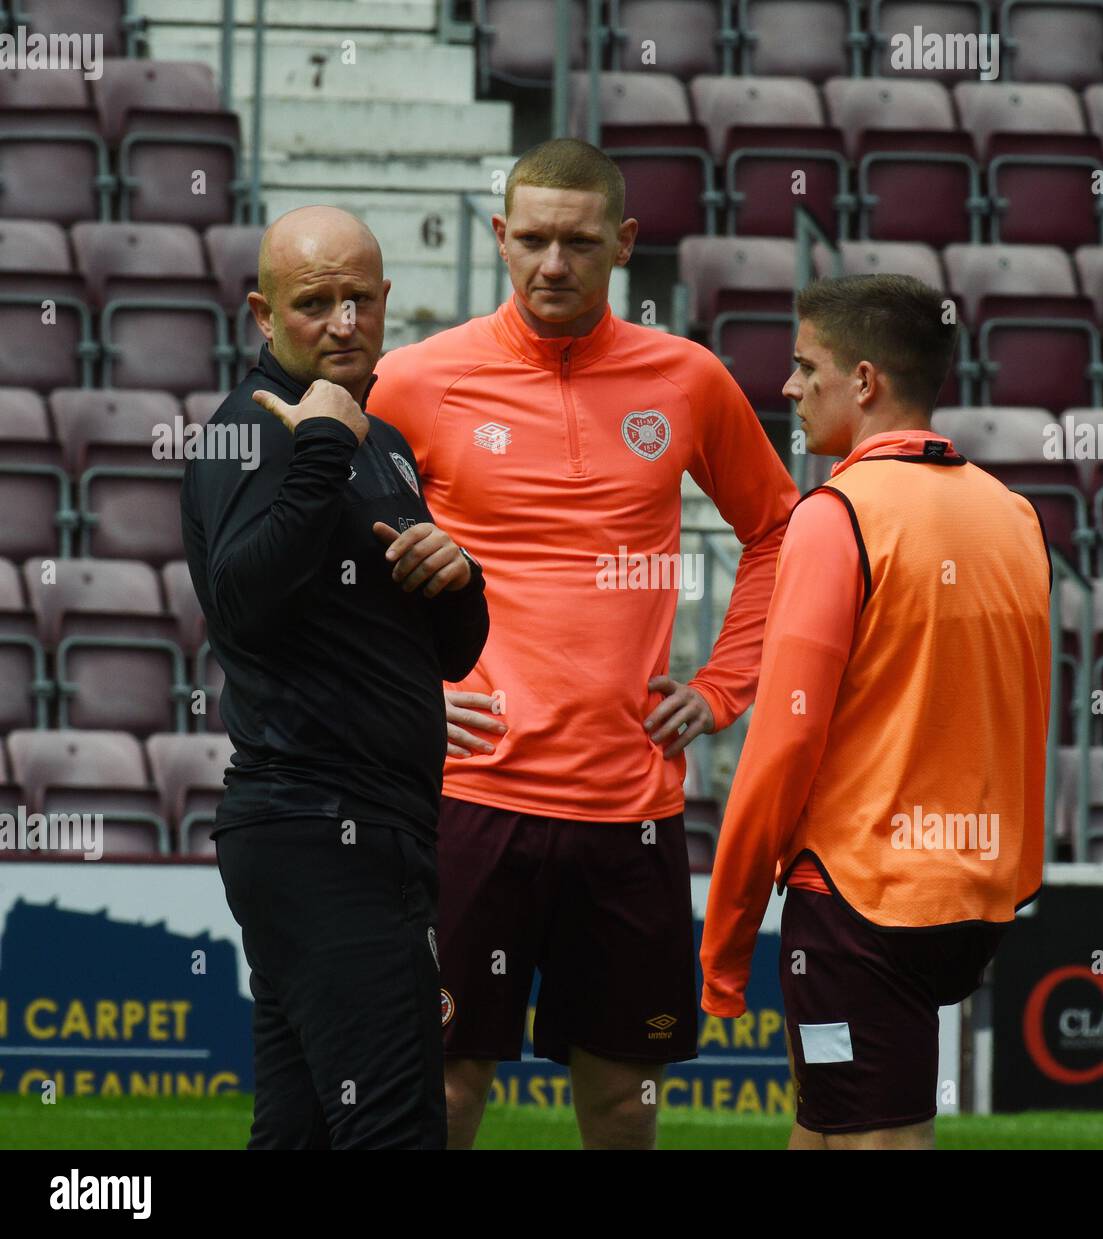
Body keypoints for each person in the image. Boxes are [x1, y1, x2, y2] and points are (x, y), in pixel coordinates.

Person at [365, 139, 800, 1149]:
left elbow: (782, 529)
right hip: (470, 801)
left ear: (624, 244)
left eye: (578, 241)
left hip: (630, 811)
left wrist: (726, 683)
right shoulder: (414, 383)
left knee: (620, 1098)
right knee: (446, 1086)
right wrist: (403, 698)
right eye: (532, 240)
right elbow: (329, 566)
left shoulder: (686, 380)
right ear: (498, 240)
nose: (553, 263)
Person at [700, 274, 1052, 1150]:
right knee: (826, 1127)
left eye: (801, 364)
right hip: (975, 890)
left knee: (876, 1138)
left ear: (862, 381)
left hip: (859, 897)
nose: (786, 386)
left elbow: (781, 743)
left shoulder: (835, 514)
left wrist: (728, 934)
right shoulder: (1015, 515)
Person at [180, 205, 489, 1149]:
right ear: (264, 317)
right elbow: (239, 600)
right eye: (315, 303)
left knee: (304, 1133)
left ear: (389, 300)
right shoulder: (251, 433)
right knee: (396, 1127)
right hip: (321, 833)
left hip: (361, 831)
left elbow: (450, 653)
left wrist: (457, 579)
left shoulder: (383, 441)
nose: (344, 323)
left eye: (360, 298)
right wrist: (319, 443)